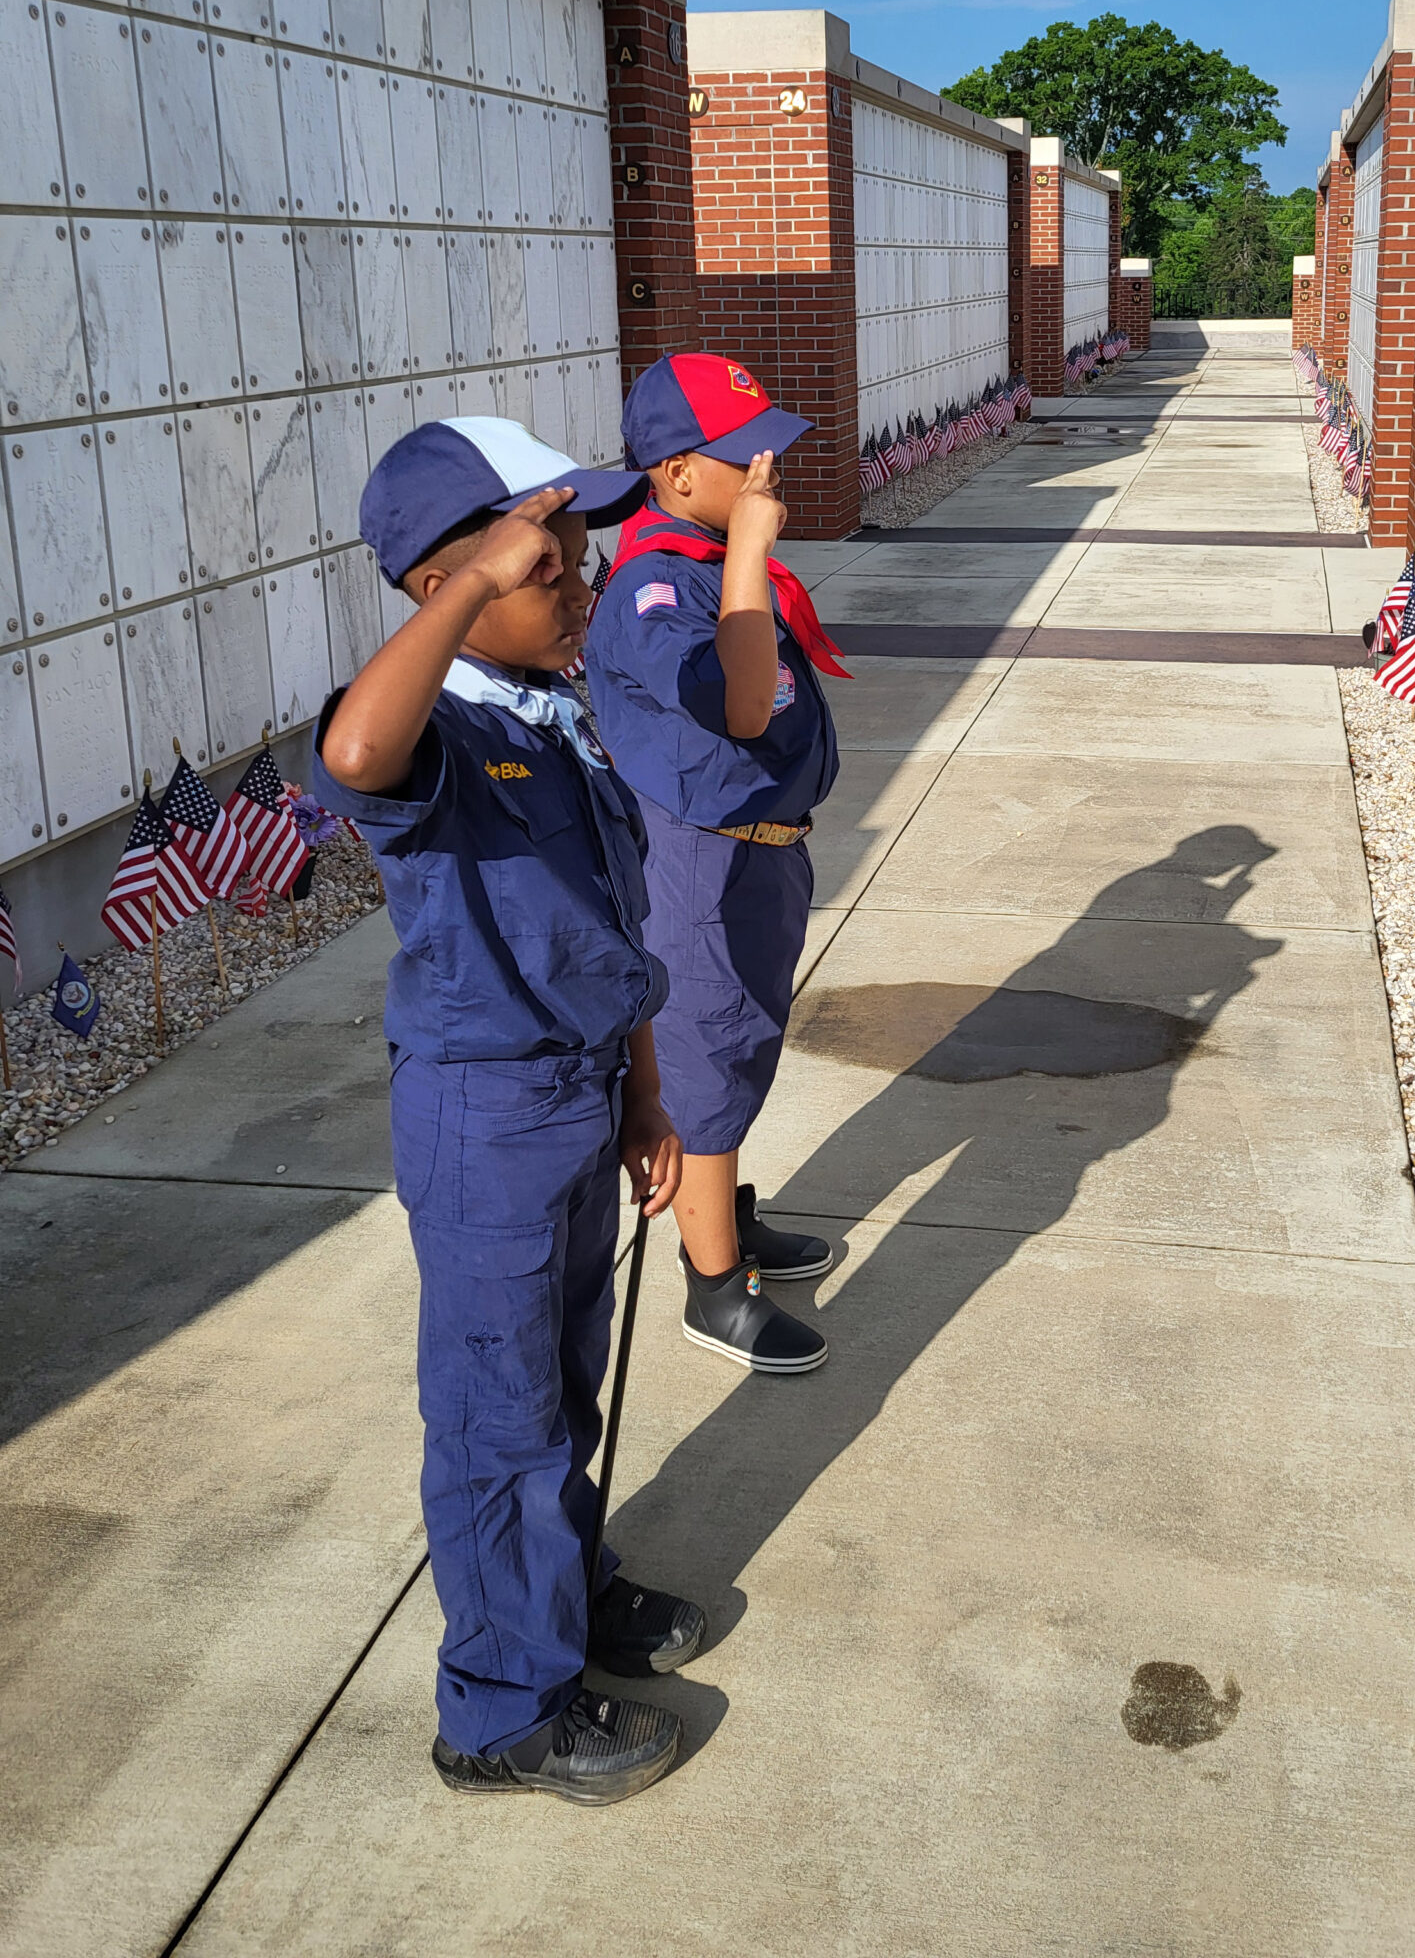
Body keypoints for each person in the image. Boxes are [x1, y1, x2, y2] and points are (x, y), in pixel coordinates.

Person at [313, 414, 705, 1808]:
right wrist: (484, 582)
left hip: (579, 1099)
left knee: (561, 1388)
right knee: (499, 1421)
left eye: (579, 553)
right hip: (487, 1118)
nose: (582, 580)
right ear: (447, 588)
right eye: (552, 564)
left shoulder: (554, 717)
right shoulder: (440, 740)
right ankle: (500, 1709)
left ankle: (568, 1596)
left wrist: (648, 1095)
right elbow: (357, 755)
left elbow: (614, 927)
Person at [587, 353, 847, 1376]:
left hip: (760, 857)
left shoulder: (702, 562)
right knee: (703, 1057)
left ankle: (724, 1207)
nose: (768, 470)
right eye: (745, 458)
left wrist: (739, 554)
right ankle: (711, 1282)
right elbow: (740, 704)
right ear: (677, 472)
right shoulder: (659, 586)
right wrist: (746, 554)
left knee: (743, 1044)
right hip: (702, 868)